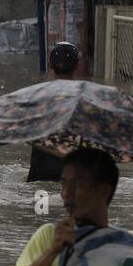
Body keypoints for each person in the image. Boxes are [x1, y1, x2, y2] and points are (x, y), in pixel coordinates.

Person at [28, 42, 83, 182]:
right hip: (72, 174)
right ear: (77, 65)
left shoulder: (37, 96)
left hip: (41, 173)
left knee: (40, 203)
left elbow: (29, 135)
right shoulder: (85, 99)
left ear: (50, 64)